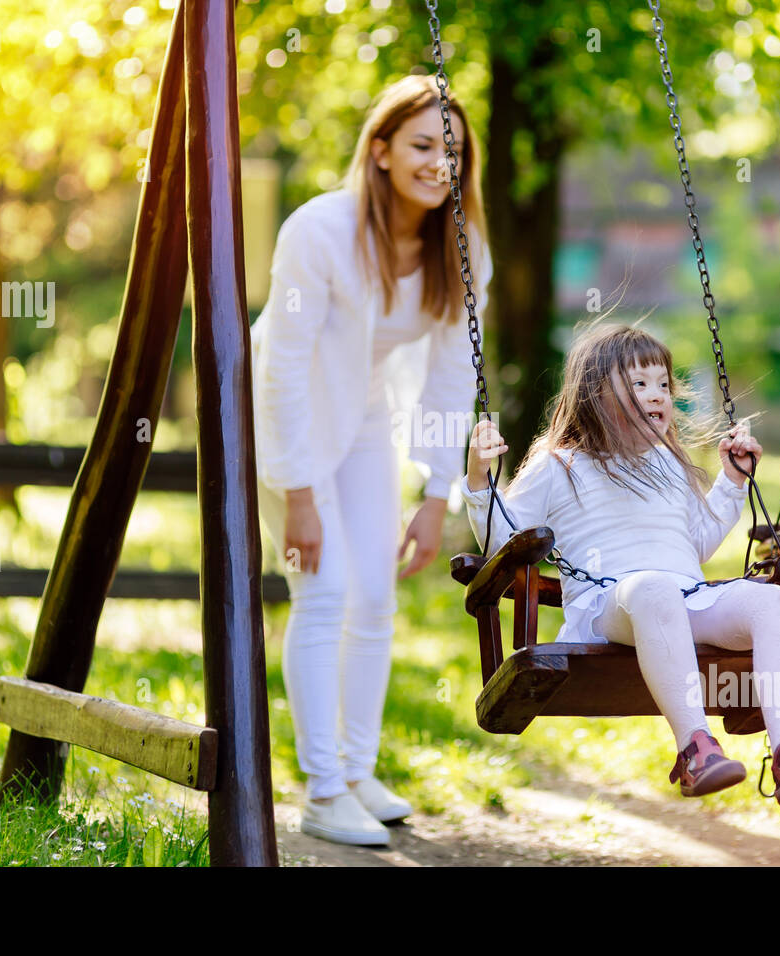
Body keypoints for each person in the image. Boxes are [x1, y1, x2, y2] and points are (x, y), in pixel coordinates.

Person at [461, 324, 780, 807]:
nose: (657, 395)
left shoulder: (669, 462)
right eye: (639, 384)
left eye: (663, 384)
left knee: (772, 602)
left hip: (684, 599)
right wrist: (480, 479)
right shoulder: (557, 464)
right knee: (652, 590)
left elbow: (698, 543)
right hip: (608, 610)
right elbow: (505, 539)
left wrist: (732, 482)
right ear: (593, 394)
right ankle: (695, 749)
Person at [251, 75, 493, 846]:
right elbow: (283, 367)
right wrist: (296, 493)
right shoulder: (318, 231)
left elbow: (455, 375)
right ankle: (322, 790)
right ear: (381, 150)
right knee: (323, 593)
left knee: (376, 600)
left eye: (453, 152)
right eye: (423, 146)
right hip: (285, 421)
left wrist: (433, 495)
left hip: (363, 423)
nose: (438, 164)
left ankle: (356, 771)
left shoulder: (461, 247)